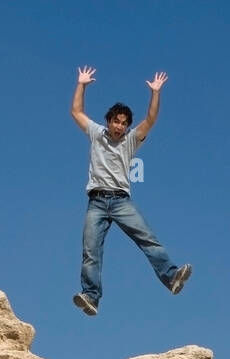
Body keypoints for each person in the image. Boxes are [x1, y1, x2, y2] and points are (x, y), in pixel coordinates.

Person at [70, 66, 191, 316]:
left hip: (121, 201)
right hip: (96, 201)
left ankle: (171, 277)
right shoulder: (96, 134)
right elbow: (76, 111)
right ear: (109, 121)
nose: (119, 127)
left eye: (124, 124)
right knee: (91, 251)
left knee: (147, 238)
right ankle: (91, 296)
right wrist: (81, 84)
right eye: (116, 121)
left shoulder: (131, 141)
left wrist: (155, 93)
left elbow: (151, 120)